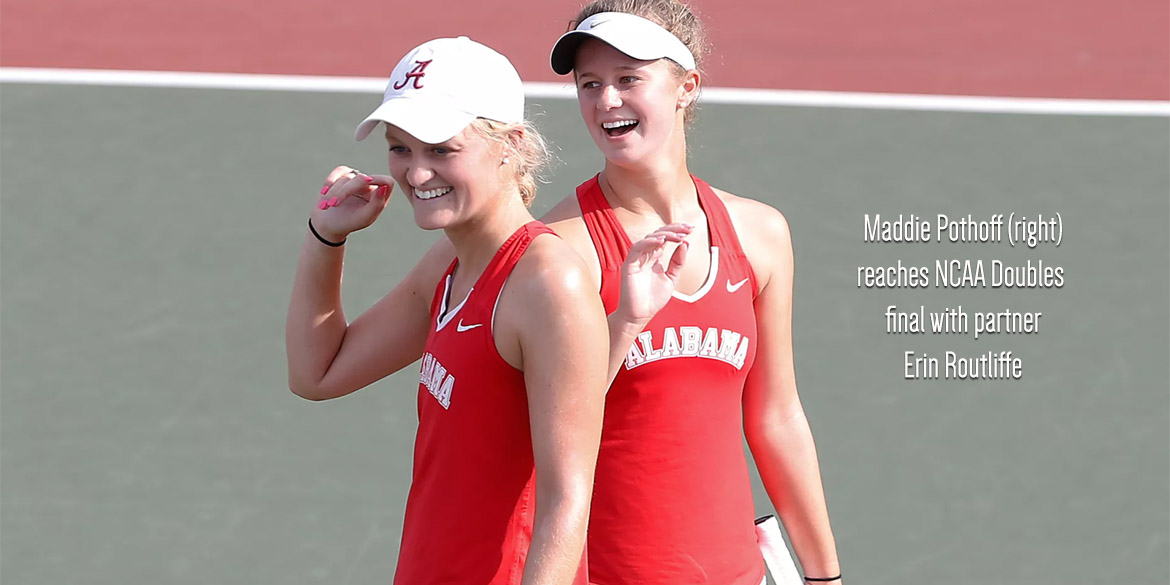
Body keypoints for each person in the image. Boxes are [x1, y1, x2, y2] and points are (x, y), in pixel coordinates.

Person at [285, 36, 608, 585]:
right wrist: (325, 237)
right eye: (400, 148)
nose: (414, 175)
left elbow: (567, 500)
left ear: (510, 144)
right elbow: (317, 373)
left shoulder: (548, 284)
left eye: (441, 150)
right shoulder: (448, 264)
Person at [542, 3, 844, 584]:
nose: (607, 101)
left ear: (686, 88)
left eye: (629, 79)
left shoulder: (760, 235)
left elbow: (776, 418)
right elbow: (543, 431)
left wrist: (824, 576)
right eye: (590, 84)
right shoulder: (558, 251)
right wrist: (625, 321)